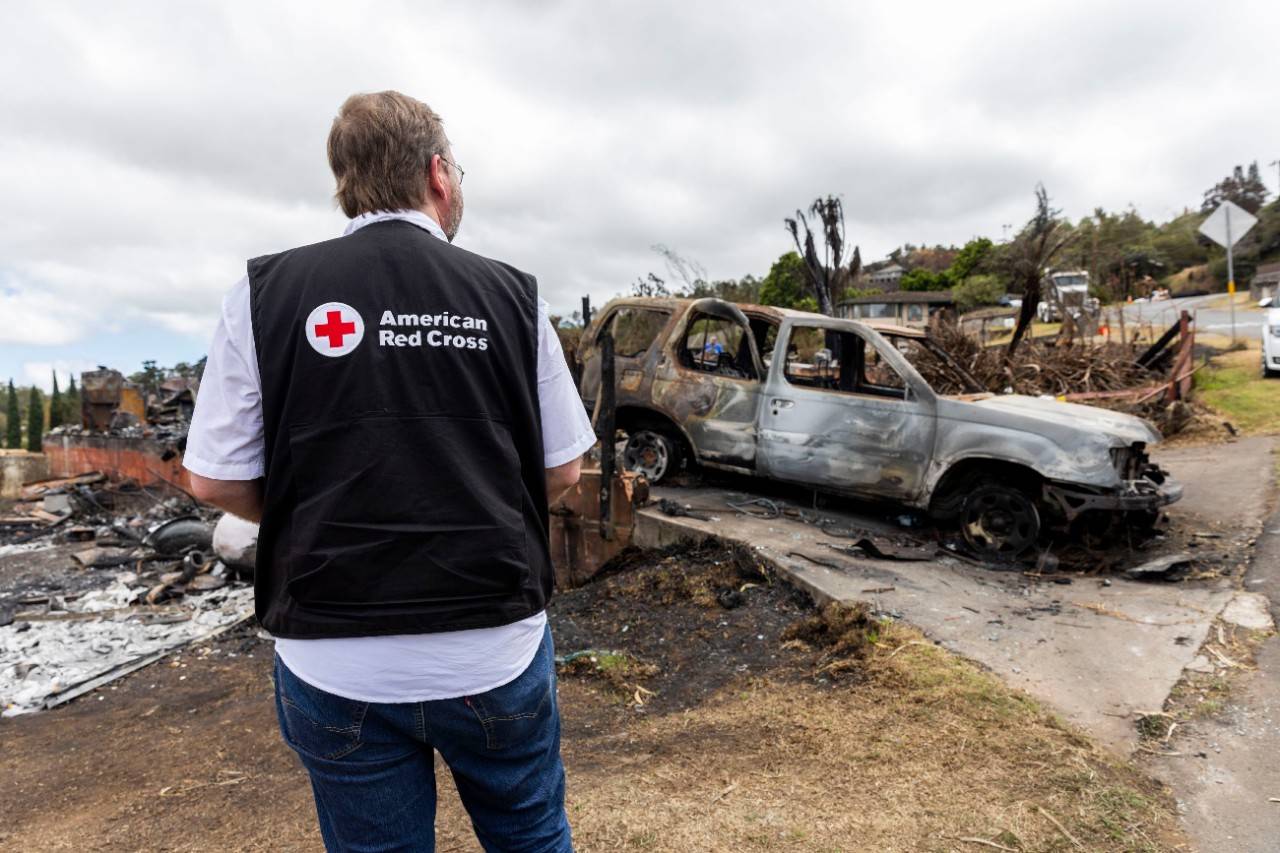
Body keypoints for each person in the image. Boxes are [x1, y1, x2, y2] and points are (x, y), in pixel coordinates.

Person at [184, 90, 595, 852]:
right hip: (492, 645)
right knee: (531, 834)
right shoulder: (511, 294)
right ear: (439, 175)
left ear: (347, 185)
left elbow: (212, 481)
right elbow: (565, 467)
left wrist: (308, 513)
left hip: (338, 660)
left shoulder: (265, 293)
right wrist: (485, 502)